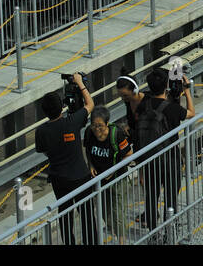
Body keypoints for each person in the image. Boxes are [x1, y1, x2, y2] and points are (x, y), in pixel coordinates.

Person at [34, 73, 96, 245]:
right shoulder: (72, 121)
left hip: (58, 178)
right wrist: (80, 84)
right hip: (80, 176)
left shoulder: (42, 131)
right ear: (62, 106)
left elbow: (43, 150)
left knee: (65, 213)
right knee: (87, 213)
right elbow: (90, 104)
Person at [136, 66, 193, 234]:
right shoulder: (172, 108)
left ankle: (153, 234)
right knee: (170, 199)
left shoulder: (143, 106)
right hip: (170, 160)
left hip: (150, 159)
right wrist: (187, 91)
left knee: (152, 197)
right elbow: (191, 113)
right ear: (167, 85)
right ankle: (170, 233)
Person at [84, 105, 132, 243]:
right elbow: (87, 150)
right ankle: (116, 234)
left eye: (100, 126)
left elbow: (129, 154)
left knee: (118, 214)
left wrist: (113, 170)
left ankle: (122, 241)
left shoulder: (116, 134)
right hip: (100, 180)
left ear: (107, 123)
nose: (97, 130)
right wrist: (91, 165)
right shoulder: (89, 133)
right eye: (94, 126)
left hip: (117, 179)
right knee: (105, 213)